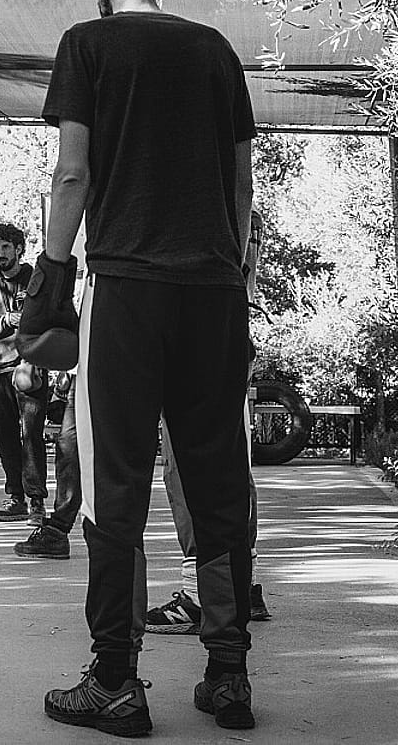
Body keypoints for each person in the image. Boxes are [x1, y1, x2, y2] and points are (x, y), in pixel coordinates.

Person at [29, 0, 259, 734]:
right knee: (218, 478)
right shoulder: (215, 51)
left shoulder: (86, 46)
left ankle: (116, 679)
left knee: (114, 482)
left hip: (125, 291)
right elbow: (241, 187)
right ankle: (229, 674)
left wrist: (49, 279)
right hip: (215, 290)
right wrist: (232, 274)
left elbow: (72, 176)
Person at [147, 210, 272, 632]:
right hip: (227, 334)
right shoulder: (236, 210)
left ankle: (200, 595)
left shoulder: (191, 208)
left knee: (185, 463)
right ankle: (243, 585)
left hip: (196, 333)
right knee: (233, 461)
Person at [0, 224, 50, 526]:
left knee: (31, 435)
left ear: (19, 248)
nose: (1, 253)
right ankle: (15, 498)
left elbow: (51, 315)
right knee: (5, 434)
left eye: (6, 247)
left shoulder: (35, 280)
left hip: (30, 367)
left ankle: (37, 501)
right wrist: (6, 320)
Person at [13, 372, 80, 559]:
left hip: (127, 367)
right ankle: (58, 529)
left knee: (72, 446)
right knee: (69, 445)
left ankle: (119, 530)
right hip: (86, 373)